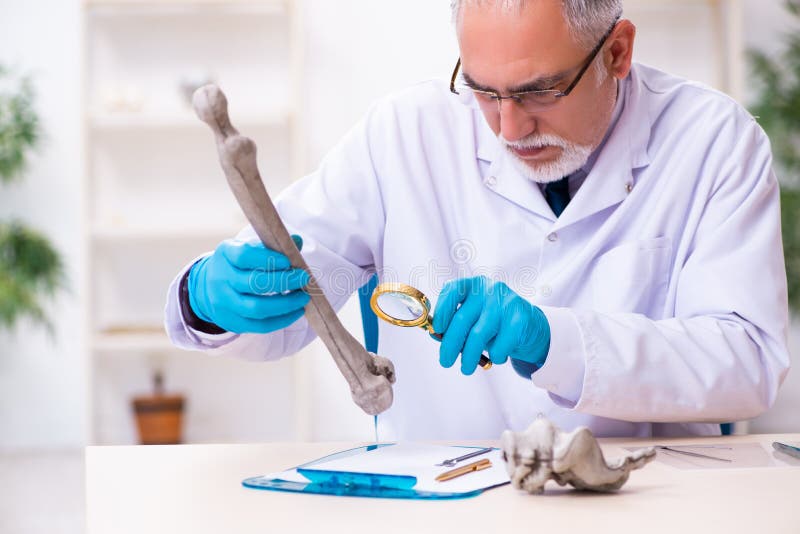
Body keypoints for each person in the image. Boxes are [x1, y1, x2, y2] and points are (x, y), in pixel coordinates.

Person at [165, 0, 790, 440]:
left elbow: (748, 363)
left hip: (645, 500)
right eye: (485, 91)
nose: (510, 129)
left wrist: (554, 341)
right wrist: (209, 298)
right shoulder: (404, 134)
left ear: (618, 52)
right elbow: (295, 290)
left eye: (540, 92)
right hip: (439, 502)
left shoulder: (714, 142)